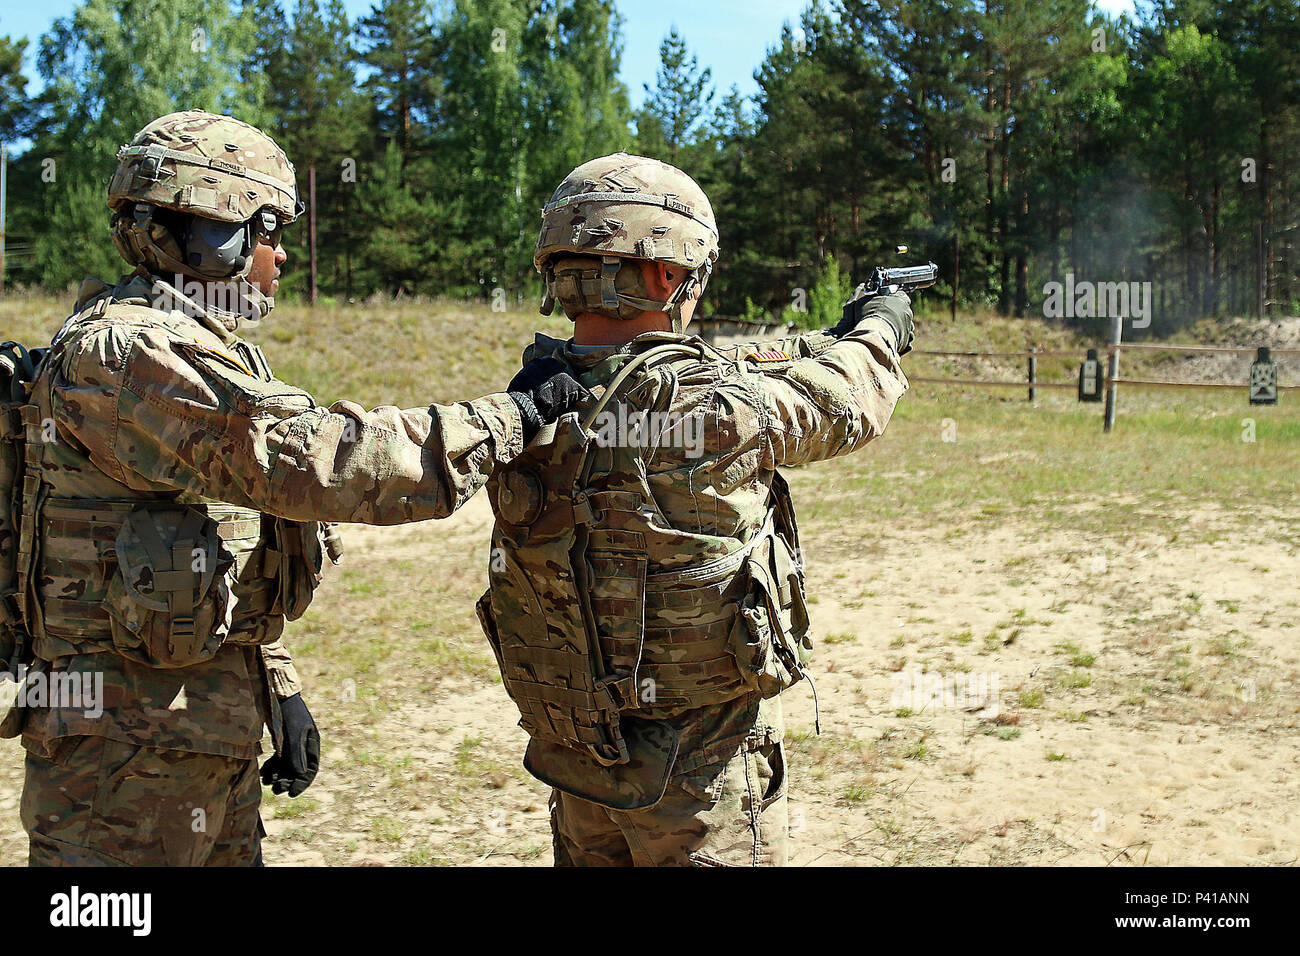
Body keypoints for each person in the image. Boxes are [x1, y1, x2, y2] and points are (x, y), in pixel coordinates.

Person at [7, 110, 587, 866]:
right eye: (265, 228)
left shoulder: (201, 350)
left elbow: (225, 529)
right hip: (119, 770)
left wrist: (273, 681)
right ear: (202, 236)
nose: (279, 254)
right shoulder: (124, 354)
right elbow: (316, 464)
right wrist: (513, 415)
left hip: (200, 735)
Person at [477, 151, 914, 866]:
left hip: (581, 757)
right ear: (664, 273)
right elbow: (848, 401)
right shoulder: (711, 408)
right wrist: (880, 330)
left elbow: (709, 361)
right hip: (695, 782)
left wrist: (826, 336)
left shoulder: (533, 397)